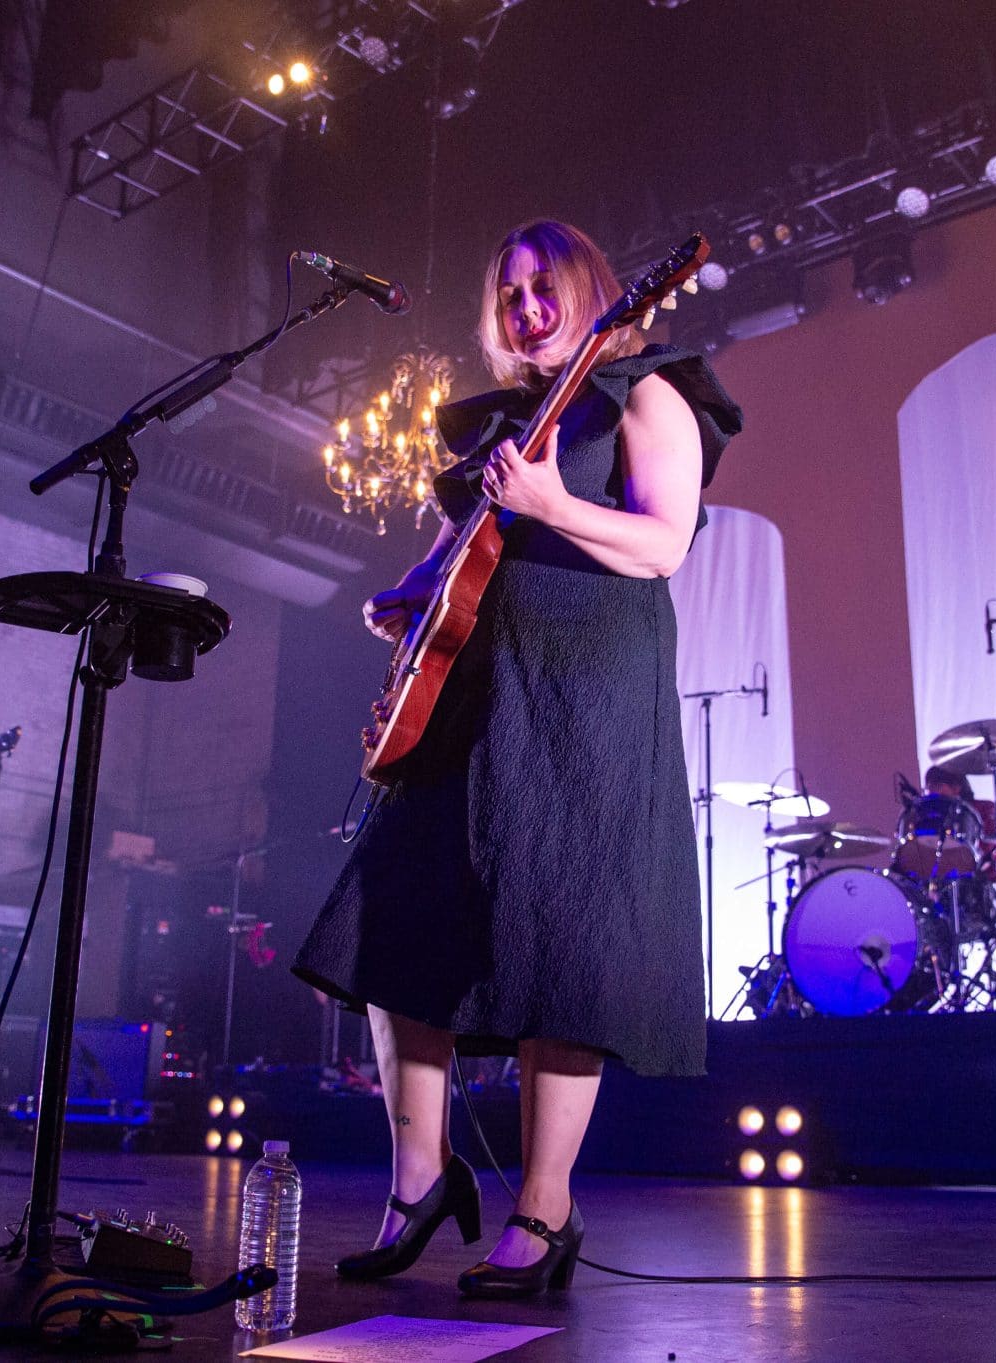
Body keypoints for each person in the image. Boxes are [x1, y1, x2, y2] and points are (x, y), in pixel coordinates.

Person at [293, 220, 742, 1297]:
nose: (527, 303)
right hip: (473, 700)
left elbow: (663, 542)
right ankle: (420, 1176)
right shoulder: (507, 422)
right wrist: (412, 597)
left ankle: (541, 1212)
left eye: (546, 284)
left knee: (561, 938)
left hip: (586, 695)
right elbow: (471, 554)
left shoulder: (645, 393)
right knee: (392, 919)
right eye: (509, 291)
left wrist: (552, 501)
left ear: (591, 288)